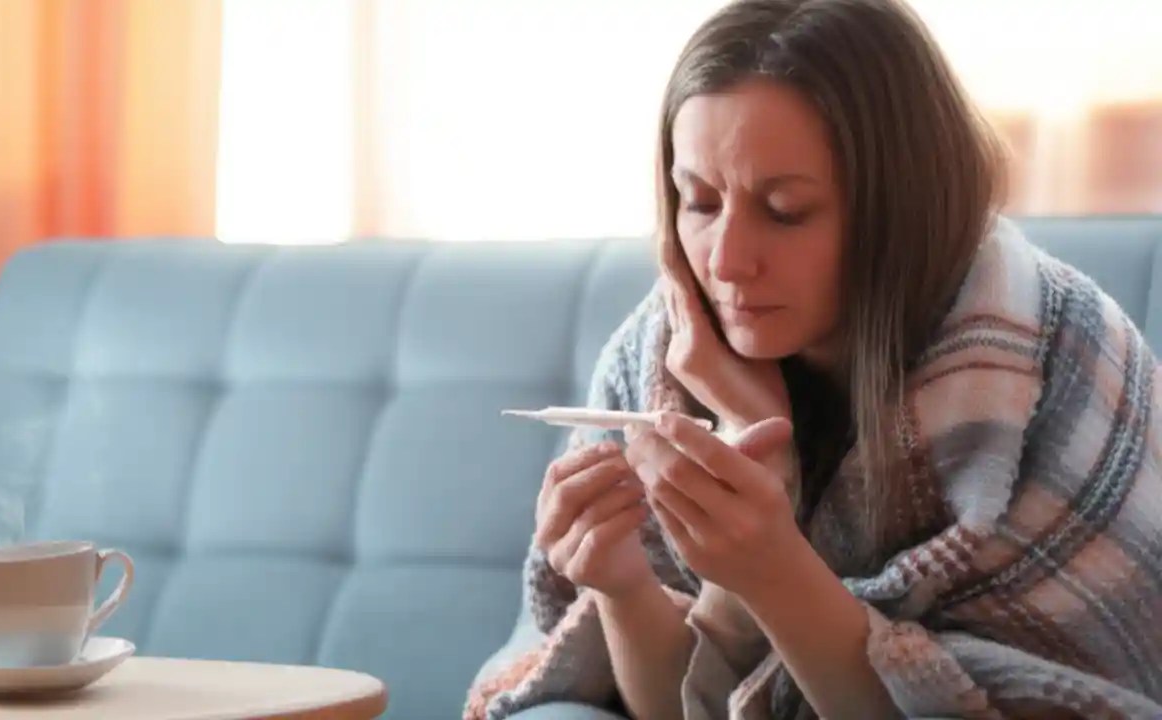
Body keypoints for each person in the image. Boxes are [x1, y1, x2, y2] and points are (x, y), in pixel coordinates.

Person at [465, 0, 1162, 718]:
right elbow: (679, 712)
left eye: (786, 210)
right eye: (699, 202)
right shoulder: (658, 356)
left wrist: (772, 569)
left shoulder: (1056, 359)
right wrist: (624, 588)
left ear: (902, 209)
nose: (728, 263)